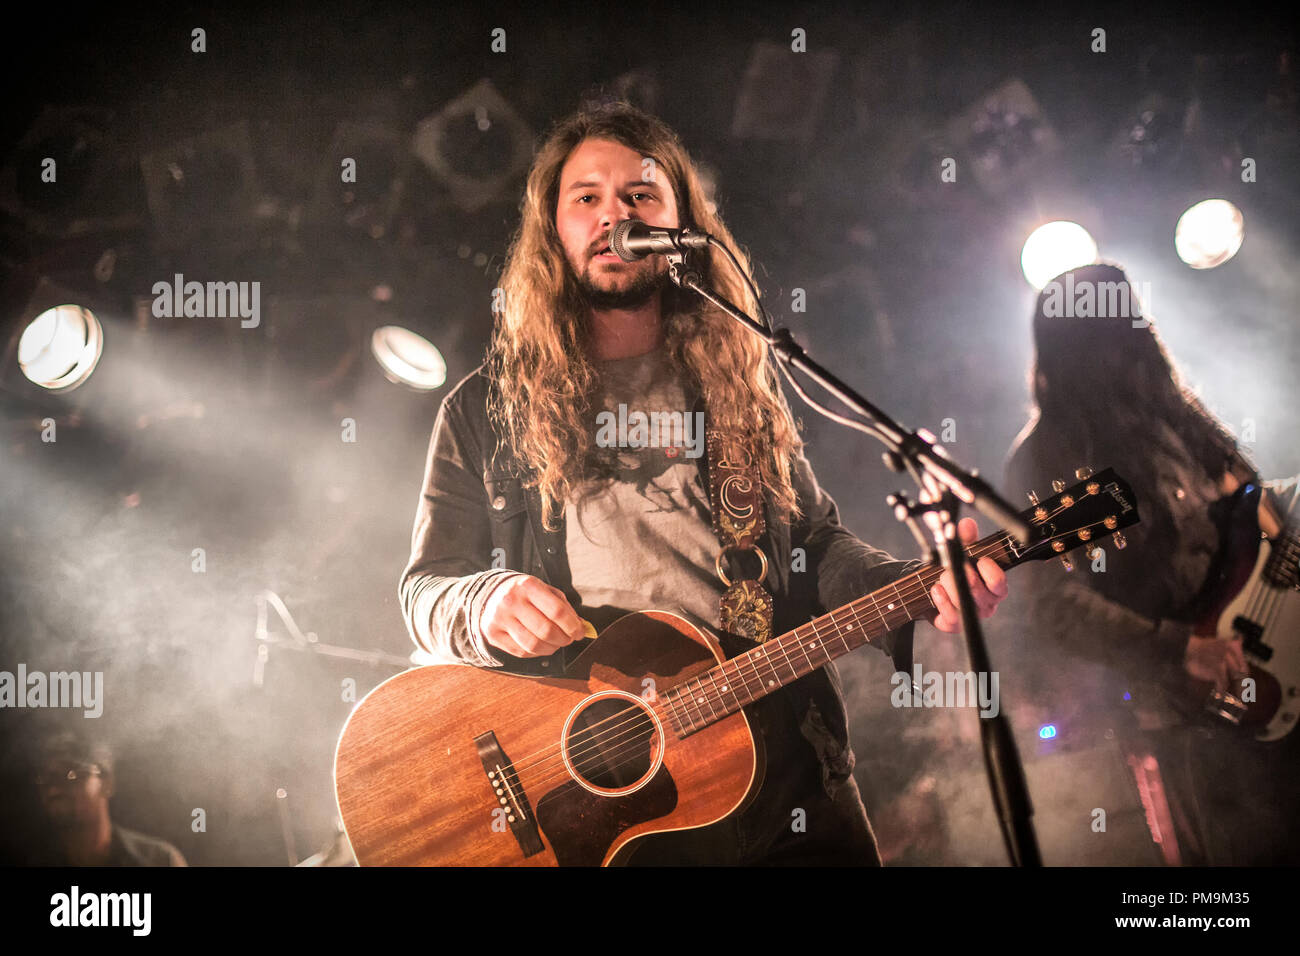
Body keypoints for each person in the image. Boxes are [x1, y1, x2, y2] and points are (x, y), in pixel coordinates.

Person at [400, 101, 1007, 865]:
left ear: (680, 222)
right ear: (552, 229)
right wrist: (483, 600)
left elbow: (812, 545)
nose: (613, 216)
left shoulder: (734, 378)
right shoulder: (485, 410)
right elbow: (425, 588)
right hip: (612, 805)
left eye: (639, 197)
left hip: (787, 771)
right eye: (586, 197)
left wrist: (916, 587)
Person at [1004, 262, 1299, 865]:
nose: (1140, 335)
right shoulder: (1049, 456)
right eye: (1121, 324)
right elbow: (1053, 604)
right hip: (1184, 716)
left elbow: (1259, 512)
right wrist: (1179, 647)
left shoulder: (1178, 419)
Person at [34, 731, 187, 867]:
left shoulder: (160, 861)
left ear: (107, 783)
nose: (54, 789)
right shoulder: (29, 861)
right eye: (47, 778)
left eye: (72, 774)